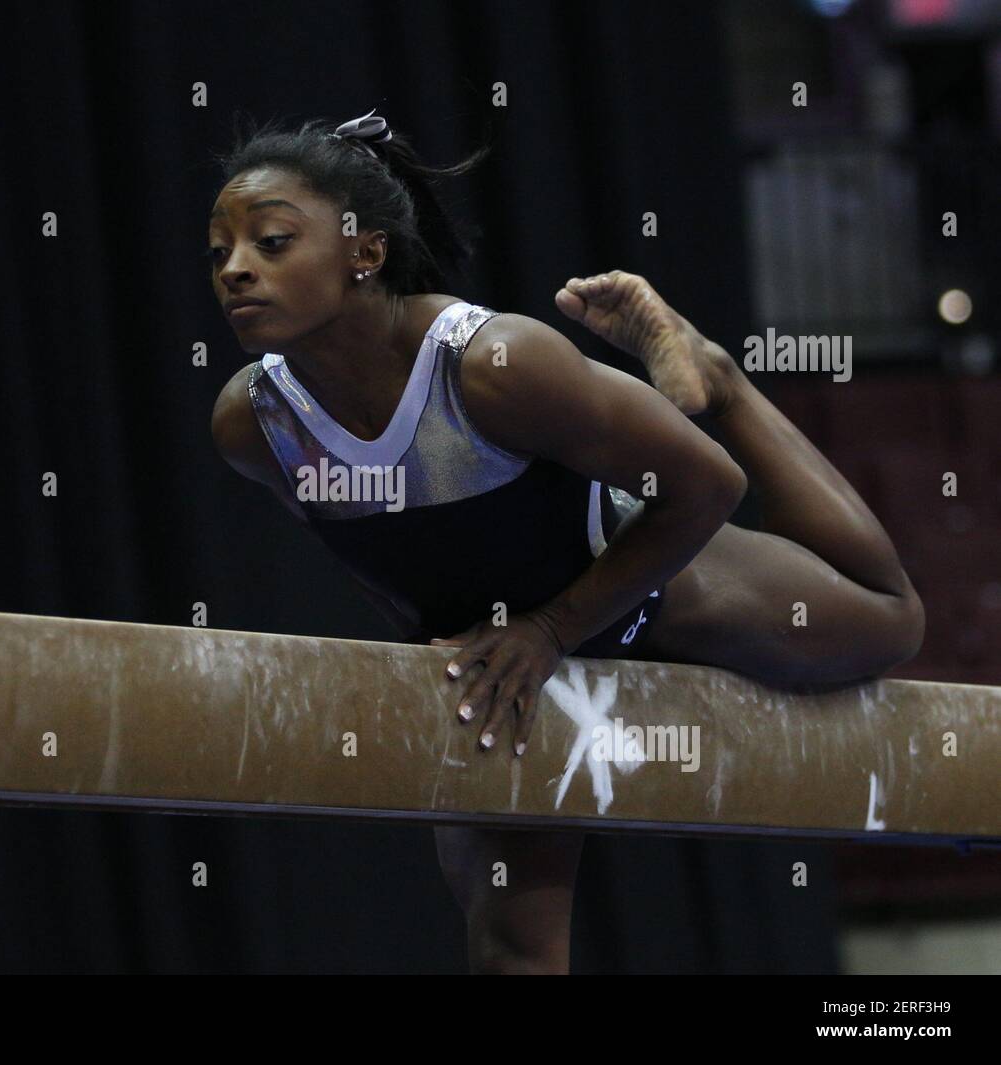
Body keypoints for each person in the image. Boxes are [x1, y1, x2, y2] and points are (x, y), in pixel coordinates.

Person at [206, 108, 925, 974]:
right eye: (220, 254)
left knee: (890, 622)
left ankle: (721, 378)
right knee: (513, 949)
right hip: (512, 662)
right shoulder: (255, 423)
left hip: (648, 586)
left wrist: (550, 628)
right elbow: (382, 556)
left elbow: (708, 486)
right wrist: (456, 658)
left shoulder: (491, 364)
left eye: (273, 242)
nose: (236, 270)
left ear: (365, 252)